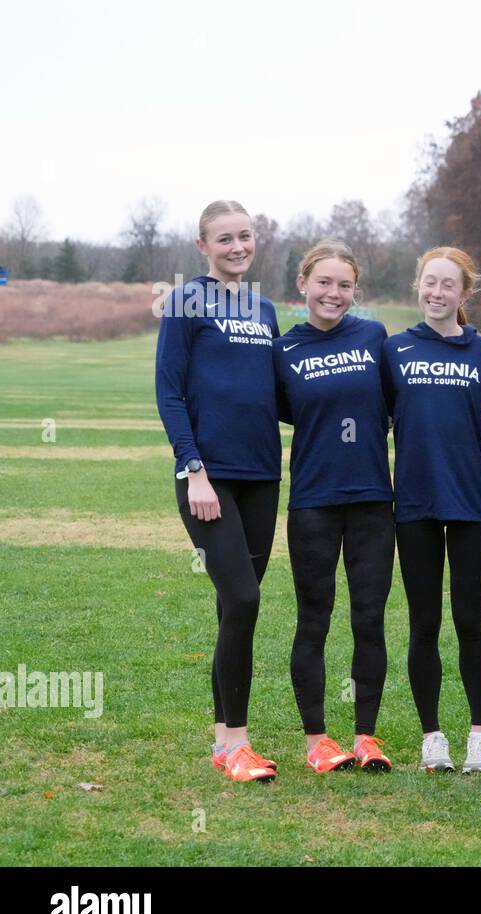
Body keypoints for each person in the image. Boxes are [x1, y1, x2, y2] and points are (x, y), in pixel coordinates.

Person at [155, 199, 280, 783]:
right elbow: (169, 391)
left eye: (245, 236)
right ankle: (237, 743)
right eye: (224, 239)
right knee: (246, 599)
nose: (237, 247)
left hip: (262, 476)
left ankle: (222, 740)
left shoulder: (265, 309)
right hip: (209, 479)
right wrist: (193, 468)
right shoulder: (185, 302)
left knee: (236, 606)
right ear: (203, 246)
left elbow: (279, 395)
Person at [274, 240, 394, 774]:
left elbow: (396, 402)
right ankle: (318, 739)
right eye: (324, 282)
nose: (334, 293)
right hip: (314, 503)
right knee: (314, 621)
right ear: (304, 285)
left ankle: (366, 736)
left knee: (370, 619)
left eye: (344, 285)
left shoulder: (373, 336)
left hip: (372, 500)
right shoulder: (283, 351)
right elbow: (281, 413)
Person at [382, 247, 481, 773]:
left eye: (447, 285)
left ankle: (480, 736)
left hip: (473, 501)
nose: (436, 292)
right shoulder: (395, 351)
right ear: (418, 284)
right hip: (414, 503)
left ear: (464, 293)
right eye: (429, 282)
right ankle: (433, 737)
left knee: (471, 620)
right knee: (424, 623)